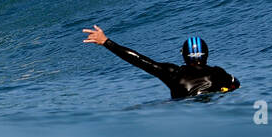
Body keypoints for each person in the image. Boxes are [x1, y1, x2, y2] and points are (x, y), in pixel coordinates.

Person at [82, 25, 239, 99]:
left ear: (183, 55)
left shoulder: (173, 73)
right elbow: (235, 85)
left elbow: (139, 60)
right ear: (206, 54)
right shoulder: (219, 73)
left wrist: (106, 42)